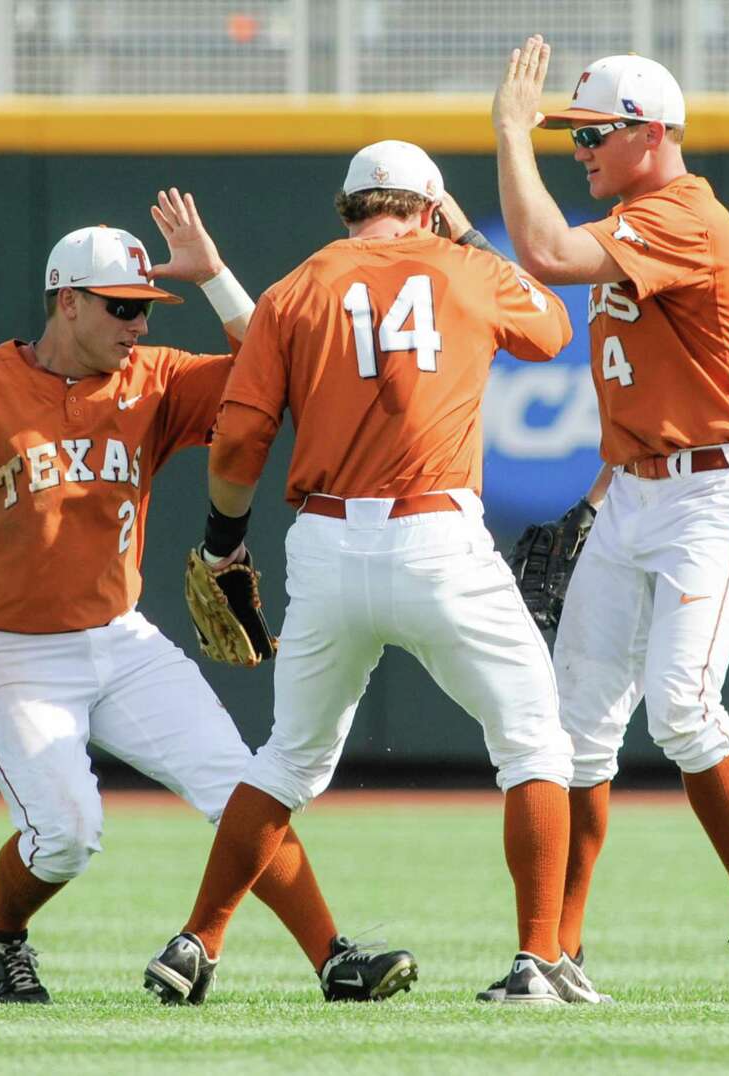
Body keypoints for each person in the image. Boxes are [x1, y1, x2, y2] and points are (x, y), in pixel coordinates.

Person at [0, 190, 412, 1006]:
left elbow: (282, 367)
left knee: (242, 790)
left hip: (119, 641)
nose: (138, 326)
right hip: (3, 653)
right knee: (67, 836)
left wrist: (216, 274)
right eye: (121, 308)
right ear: (67, 301)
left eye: (145, 309)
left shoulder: (156, 380)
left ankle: (335, 959)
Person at [141, 139, 609, 1007]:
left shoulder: (297, 287)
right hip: (436, 537)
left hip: (325, 546)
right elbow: (550, 327)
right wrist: (467, 235)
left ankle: (197, 939)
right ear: (426, 208)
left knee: (288, 760)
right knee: (535, 740)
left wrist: (221, 544)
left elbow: (241, 440)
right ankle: (538, 960)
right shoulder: (461, 268)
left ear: (348, 208)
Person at [488, 38, 729, 1001]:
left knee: (680, 705)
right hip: (633, 489)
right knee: (574, 730)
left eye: (593, 131)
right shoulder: (634, 218)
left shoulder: (683, 214)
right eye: (568, 131)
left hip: (718, 491)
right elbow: (631, 400)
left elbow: (544, 255)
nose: (577, 146)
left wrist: (509, 134)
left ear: (651, 132)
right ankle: (555, 956)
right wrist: (590, 506)